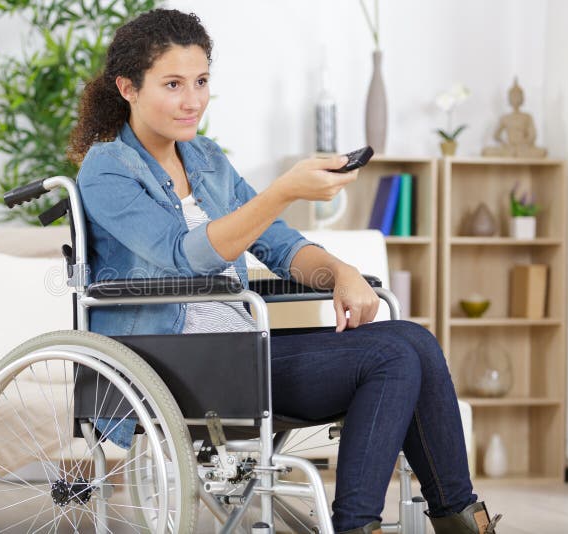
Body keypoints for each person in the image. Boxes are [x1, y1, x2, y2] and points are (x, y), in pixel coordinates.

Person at [68, 8, 501, 534]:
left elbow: (280, 245)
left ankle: (461, 523)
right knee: (392, 353)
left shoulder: (206, 159)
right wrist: (283, 191)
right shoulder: (107, 166)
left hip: (240, 354)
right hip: (170, 363)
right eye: (174, 84)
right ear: (128, 88)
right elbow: (183, 254)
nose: (193, 100)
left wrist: (340, 271)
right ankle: (358, 526)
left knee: (414, 342)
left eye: (201, 81)